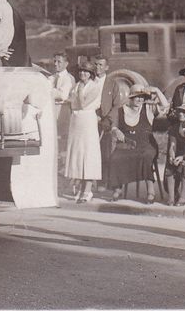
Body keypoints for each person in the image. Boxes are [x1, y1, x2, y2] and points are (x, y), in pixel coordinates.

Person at [107, 84, 166, 203]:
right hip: (128, 144)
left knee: (145, 156)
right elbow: (113, 126)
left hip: (146, 144)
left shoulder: (148, 109)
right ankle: (117, 189)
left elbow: (165, 106)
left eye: (142, 97)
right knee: (115, 157)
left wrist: (157, 90)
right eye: (137, 97)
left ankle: (150, 190)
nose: (140, 100)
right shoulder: (121, 110)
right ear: (131, 97)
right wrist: (115, 130)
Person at [64, 62, 101, 203]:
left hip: (88, 122)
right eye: (81, 71)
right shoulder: (76, 86)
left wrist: (77, 94)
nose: (82, 74)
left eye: (86, 72)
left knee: (88, 154)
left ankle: (88, 190)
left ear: (91, 73)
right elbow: (72, 103)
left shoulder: (94, 87)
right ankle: (80, 188)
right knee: (77, 154)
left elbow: (83, 103)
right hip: (76, 121)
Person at [164, 102, 185, 206]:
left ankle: (184, 196)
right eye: (180, 111)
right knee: (170, 166)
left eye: (184, 112)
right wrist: (172, 155)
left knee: (184, 165)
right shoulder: (175, 128)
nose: (181, 114)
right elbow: (172, 145)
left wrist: (182, 157)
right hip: (178, 153)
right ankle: (171, 197)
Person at [50, 52, 75, 161]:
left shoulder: (68, 78)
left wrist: (49, 91)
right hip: (52, 109)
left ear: (66, 63)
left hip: (63, 110)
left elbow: (62, 95)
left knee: (62, 137)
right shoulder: (52, 77)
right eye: (54, 61)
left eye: (59, 62)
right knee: (53, 136)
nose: (55, 64)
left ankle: (63, 163)